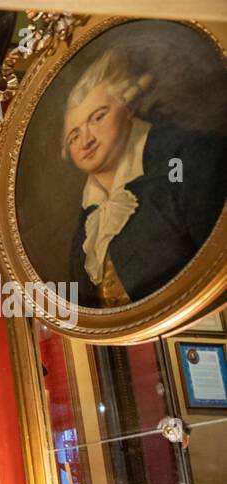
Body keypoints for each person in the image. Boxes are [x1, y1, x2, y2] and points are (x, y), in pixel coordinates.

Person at [61, 48, 227, 307]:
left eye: (98, 117)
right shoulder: (88, 222)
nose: (86, 140)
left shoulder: (185, 158)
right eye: (73, 136)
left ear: (127, 108)